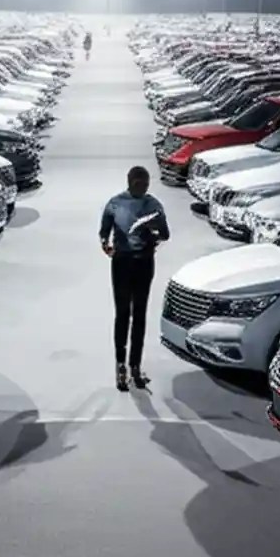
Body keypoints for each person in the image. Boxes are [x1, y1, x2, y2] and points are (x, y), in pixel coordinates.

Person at [99, 166, 169, 391]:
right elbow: (104, 231)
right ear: (130, 182)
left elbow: (165, 234)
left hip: (137, 262)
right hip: (128, 262)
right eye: (139, 184)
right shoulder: (121, 203)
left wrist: (153, 232)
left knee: (134, 314)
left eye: (145, 184)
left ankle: (131, 366)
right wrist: (106, 245)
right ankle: (125, 366)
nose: (143, 188)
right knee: (127, 314)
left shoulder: (145, 205)